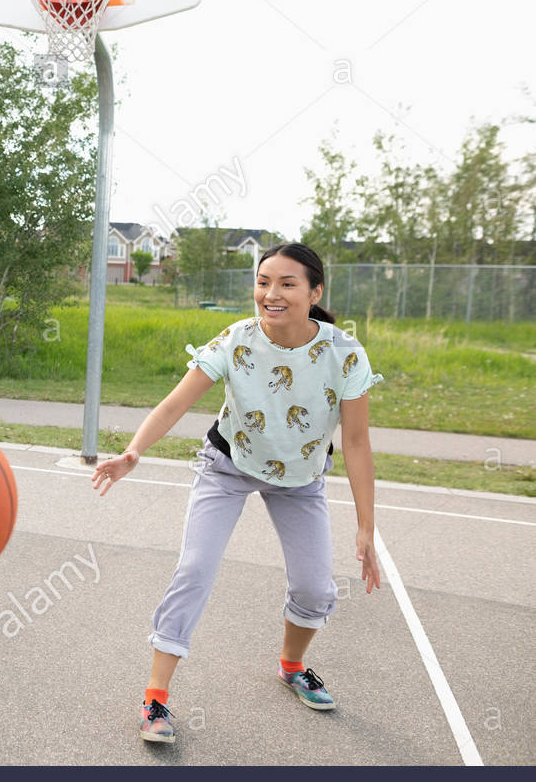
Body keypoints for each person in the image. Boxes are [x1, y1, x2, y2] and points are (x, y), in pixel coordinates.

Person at [90, 242, 382, 744]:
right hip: (229, 464)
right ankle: (156, 699)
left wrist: (366, 526)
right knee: (195, 568)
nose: (271, 293)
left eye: (287, 284)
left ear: (314, 292)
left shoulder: (344, 353)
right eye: (263, 281)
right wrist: (133, 452)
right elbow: (173, 404)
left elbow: (355, 442)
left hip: (301, 477)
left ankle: (292, 666)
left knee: (316, 589)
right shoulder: (235, 340)